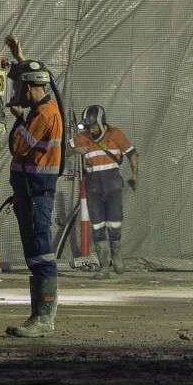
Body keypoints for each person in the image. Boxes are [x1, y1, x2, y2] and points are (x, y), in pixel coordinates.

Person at [5, 60, 64, 338]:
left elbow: (18, 145)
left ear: (30, 87)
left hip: (37, 192)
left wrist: (19, 119)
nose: (16, 91)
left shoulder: (43, 115)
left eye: (19, 86)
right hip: (29, 192)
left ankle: (44, 318)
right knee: (35, 253)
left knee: (41, 252)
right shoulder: (42, 110)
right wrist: (18, 55)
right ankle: (38, 315)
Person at [70, 105, 137, 279]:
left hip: (113, 186)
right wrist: (75, 150)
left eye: (93, 125)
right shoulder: (82, 138)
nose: (91, 129)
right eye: (88, 126)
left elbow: (132, 153)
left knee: (114, 224)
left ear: (101, 122)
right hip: (93, 187)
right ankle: (104, 266)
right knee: (97, 226)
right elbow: (65, 149)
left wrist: (135, 175)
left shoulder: (116, 135)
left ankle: (117, 256)